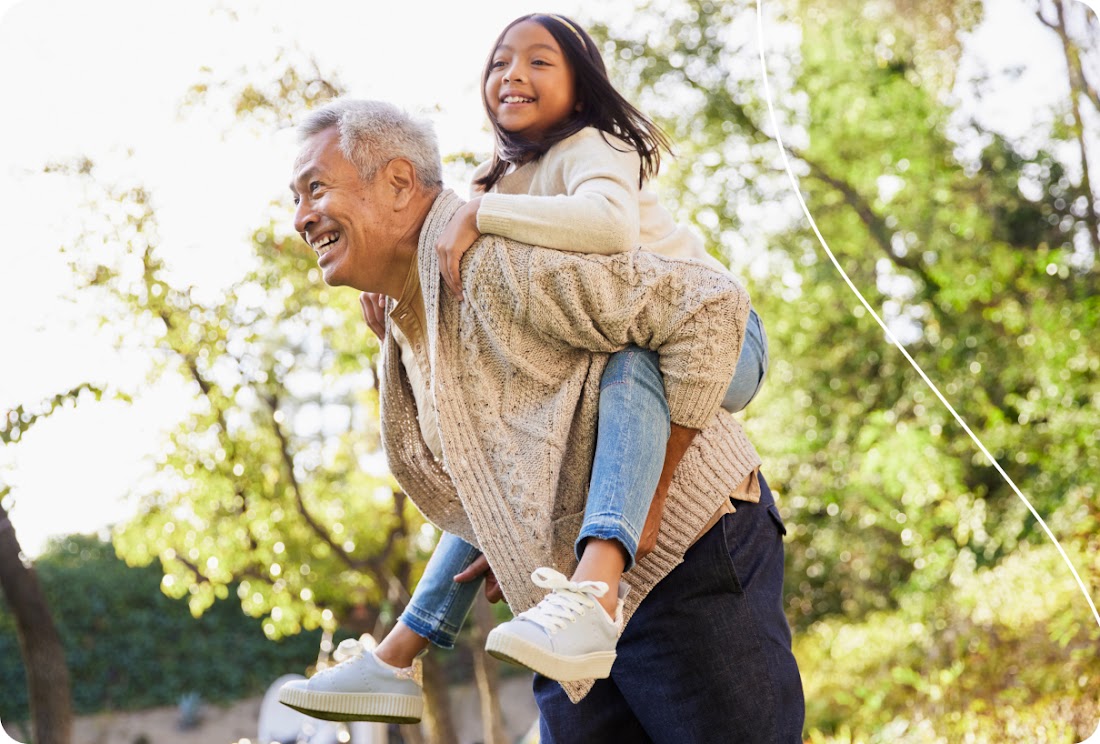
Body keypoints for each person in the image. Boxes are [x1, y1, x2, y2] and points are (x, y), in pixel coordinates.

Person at [277, 98, 804, 742]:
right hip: (560, 604)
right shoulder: (407, 317)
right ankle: (394, 660)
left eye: (316, 188)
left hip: (686, 562)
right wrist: (511, 534)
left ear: (397, 182)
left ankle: (400, 657)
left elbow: (709, 310)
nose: (302, 217)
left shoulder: (497, 261)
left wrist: (654, 496)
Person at [353, 12, 770, 689]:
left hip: (720, 337)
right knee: (492, 455)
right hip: (611, 351)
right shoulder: (493, 185)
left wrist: (478, 217)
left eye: (538, 61)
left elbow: (608, 225)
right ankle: (398, 654)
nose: (512, 73)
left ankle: (599, 589)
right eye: (498, 63)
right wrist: (402, 310)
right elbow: (478, 344)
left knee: (635, 356)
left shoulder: (595, 144)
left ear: (579, 89)